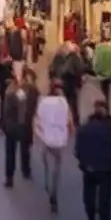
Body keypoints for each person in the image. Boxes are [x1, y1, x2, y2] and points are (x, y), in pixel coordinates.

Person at [75, 98, 111, 220]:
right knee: (105, 199)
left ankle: (91, 218)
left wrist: (83, 162)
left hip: (89, 168)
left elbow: (78, 149)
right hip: (106, 168)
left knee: (89, 197)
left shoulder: (85, 127)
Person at [35, 80, 74, 213]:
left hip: (46, 139)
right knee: (56, 169)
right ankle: (54, 191)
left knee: (47, 163)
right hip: (59, 140)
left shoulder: (43, 102)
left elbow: (38, 119)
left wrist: (39, 133)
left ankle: (47, 184)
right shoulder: (63, 103)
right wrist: (69, 134)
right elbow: (70, 121)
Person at [0, 68, 39, 188]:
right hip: (25, 125)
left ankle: (9, 178)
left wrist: (3, 124)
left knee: (10, 152)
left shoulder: (11, 91)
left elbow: (6, 110)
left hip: (12, 126)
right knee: (25, 149)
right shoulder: (33, 91)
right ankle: (26, 170)